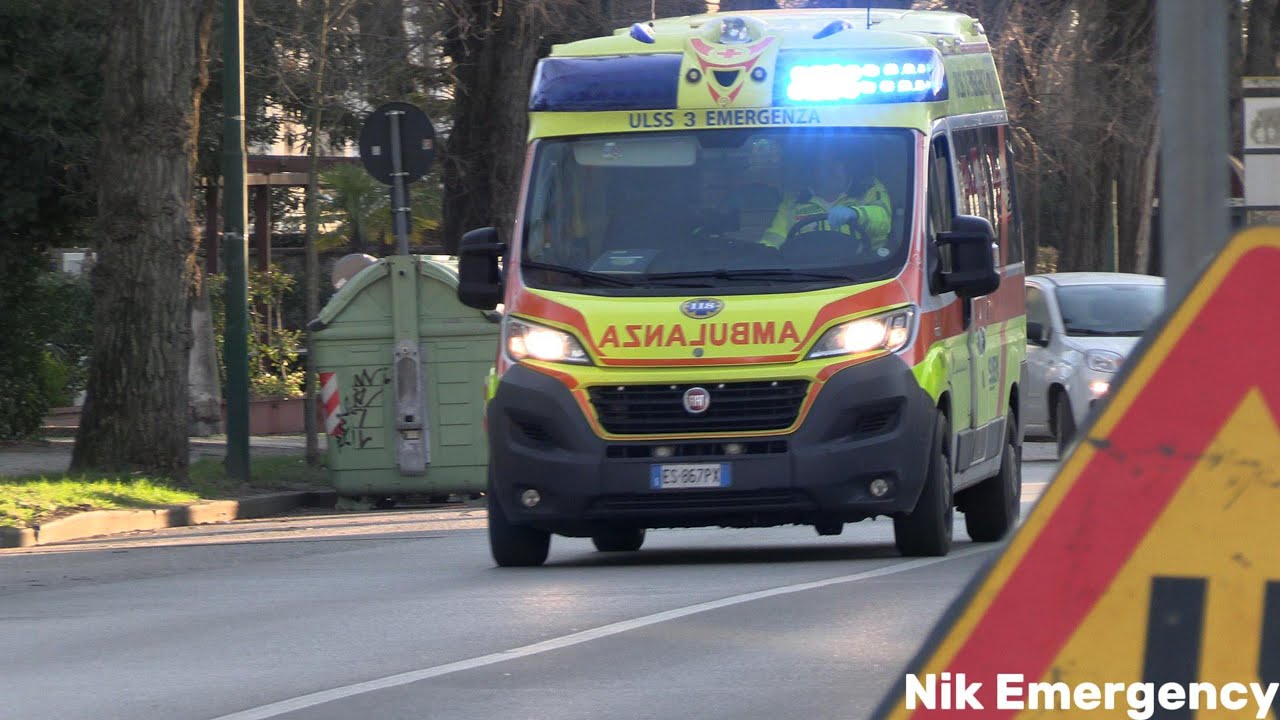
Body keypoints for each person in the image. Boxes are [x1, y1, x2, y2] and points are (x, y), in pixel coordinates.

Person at [760, 155, 892, 254]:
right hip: (808, 271)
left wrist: (856, 213)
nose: (830, 170)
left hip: (867, 269)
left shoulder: (869, 188)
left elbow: (884, 221)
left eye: (836, 162)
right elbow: (776, 236)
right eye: (822, 165)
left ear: (848, 167)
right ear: (812, 171)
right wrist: (764, 254)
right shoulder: (795, 200)